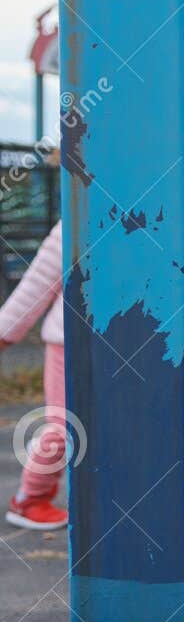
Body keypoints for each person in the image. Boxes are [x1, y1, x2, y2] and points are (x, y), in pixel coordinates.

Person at [0, 220, 67, 530]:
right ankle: (29, 500)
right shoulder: (75, 216)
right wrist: (5, 333)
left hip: (127, 344)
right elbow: (38, 282)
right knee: (66, 428)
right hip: (69, 345)